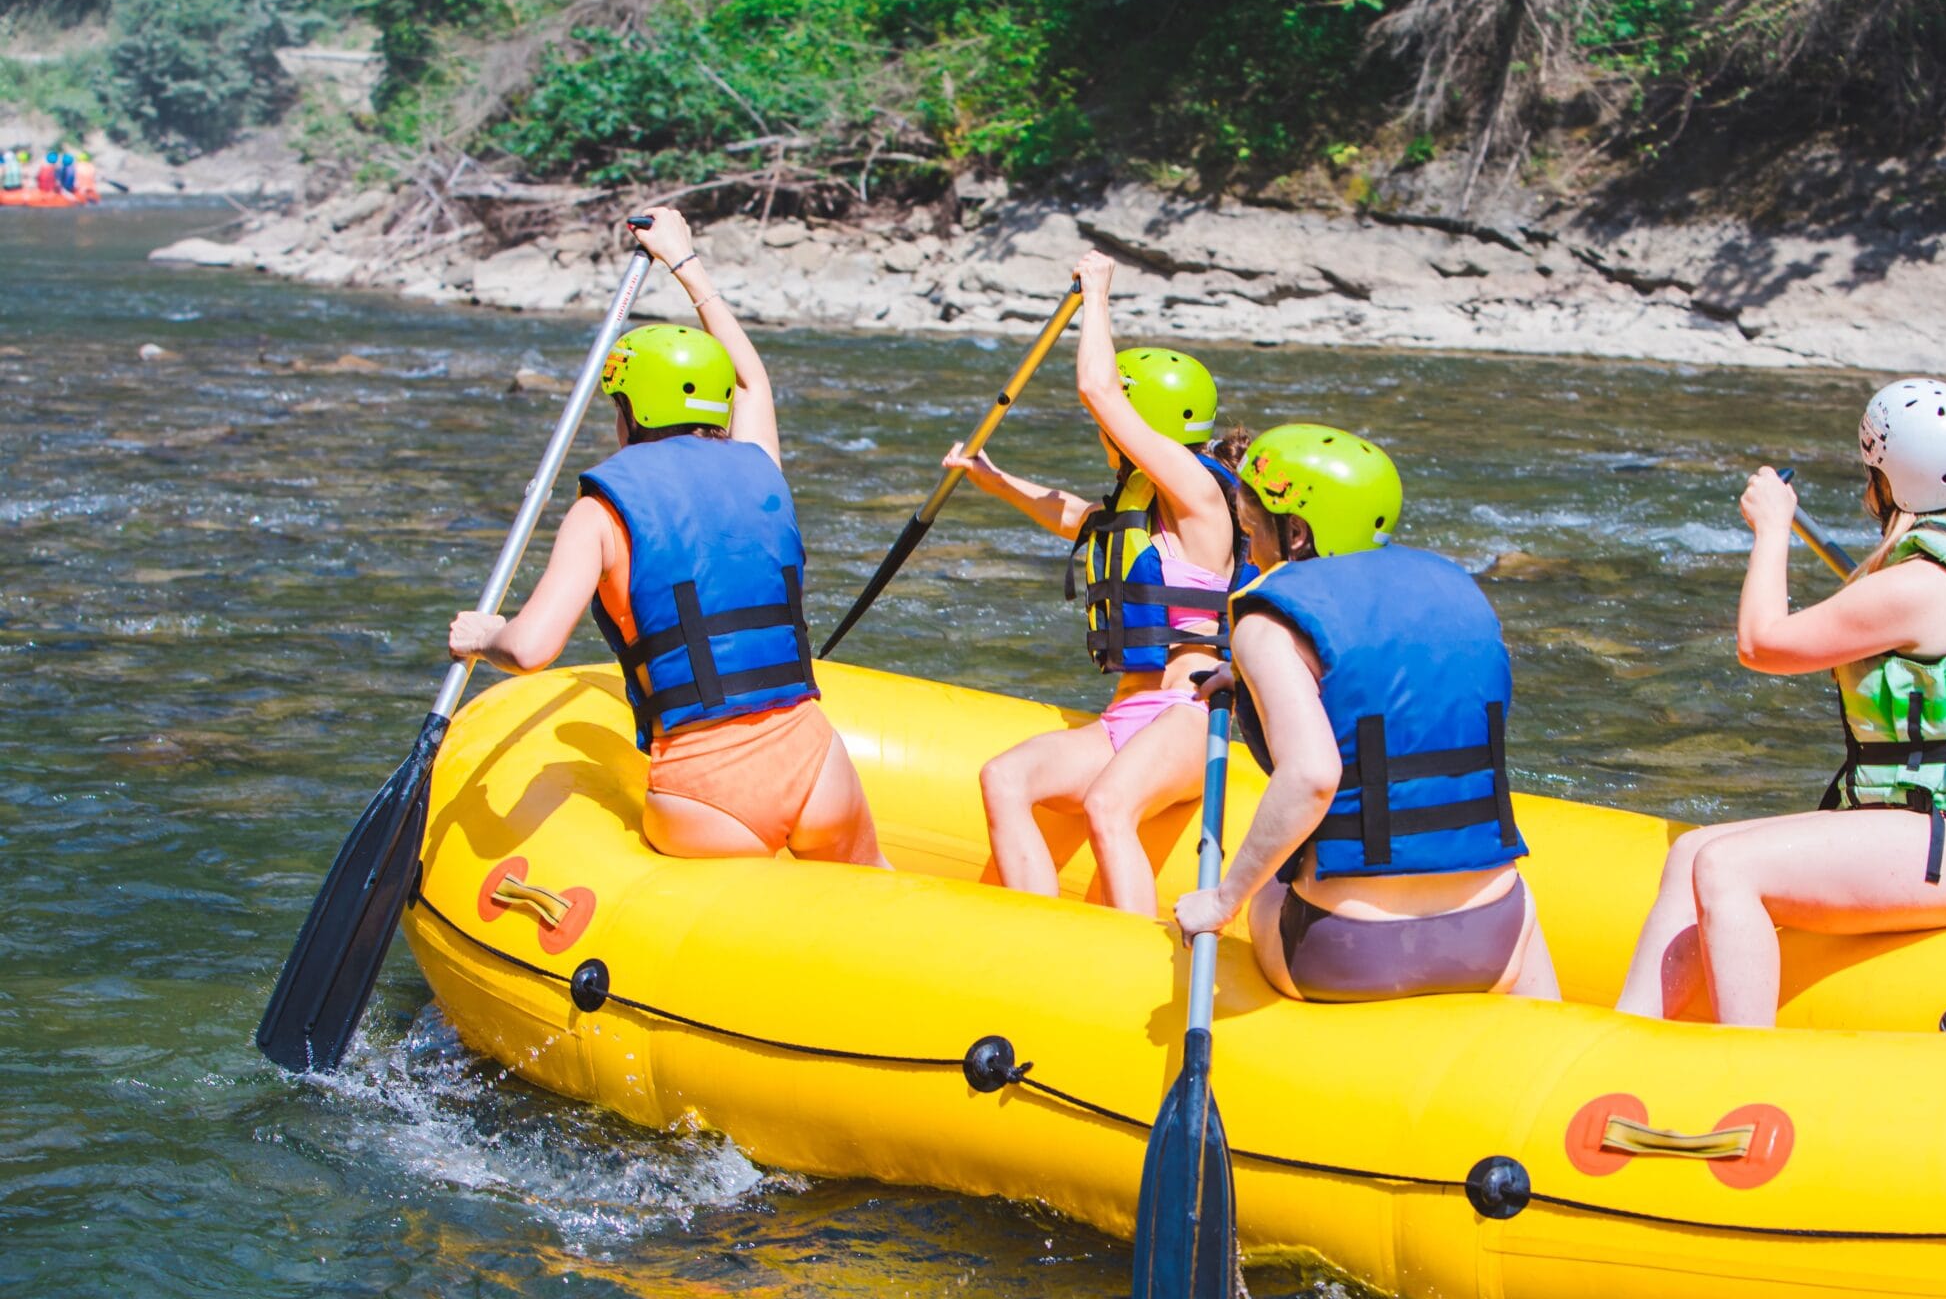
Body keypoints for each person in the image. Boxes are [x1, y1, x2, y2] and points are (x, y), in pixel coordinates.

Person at [1615, 380, 1946, 1026]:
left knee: (1724, 866)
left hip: (1945, 846)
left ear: (1889, 481)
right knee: (1691, 853)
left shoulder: (1920, 583)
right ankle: (1631, 1030)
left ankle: (1744, 1058)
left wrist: (1772, 527)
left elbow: (1761, 644)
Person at [446, 205, 884, 866]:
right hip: (815, 756)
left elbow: (531, 648)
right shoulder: (760, 464)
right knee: (872, 892)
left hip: (707, 788)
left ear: (629, 413)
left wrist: (482, 635)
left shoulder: (600, 513)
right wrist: (684, 262)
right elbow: (751, 380)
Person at [1172, 426, 1559, 1000]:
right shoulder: (1457, 586)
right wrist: (1254, 678)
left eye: (1252, 528)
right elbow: (1386, 687)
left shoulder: (1266, 626)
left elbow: (1311, 776)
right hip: (1495, 935)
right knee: (1523, 915)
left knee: (1264, 896)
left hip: (1351, 948)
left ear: (1296, 532)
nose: (1249, 549)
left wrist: (1222, 901)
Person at [953, 249, 1248, 913]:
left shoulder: (1200, 498)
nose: (1101, 431)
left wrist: (1098, 296)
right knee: (1004, 777)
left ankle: (1130, 957)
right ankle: (1038, 937)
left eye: (1110, 424)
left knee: (1109, 806)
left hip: (1189, 716)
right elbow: (1078, 518)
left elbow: (1098, 388)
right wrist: (993, 479)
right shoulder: (1141, 504)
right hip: (1126, 716)